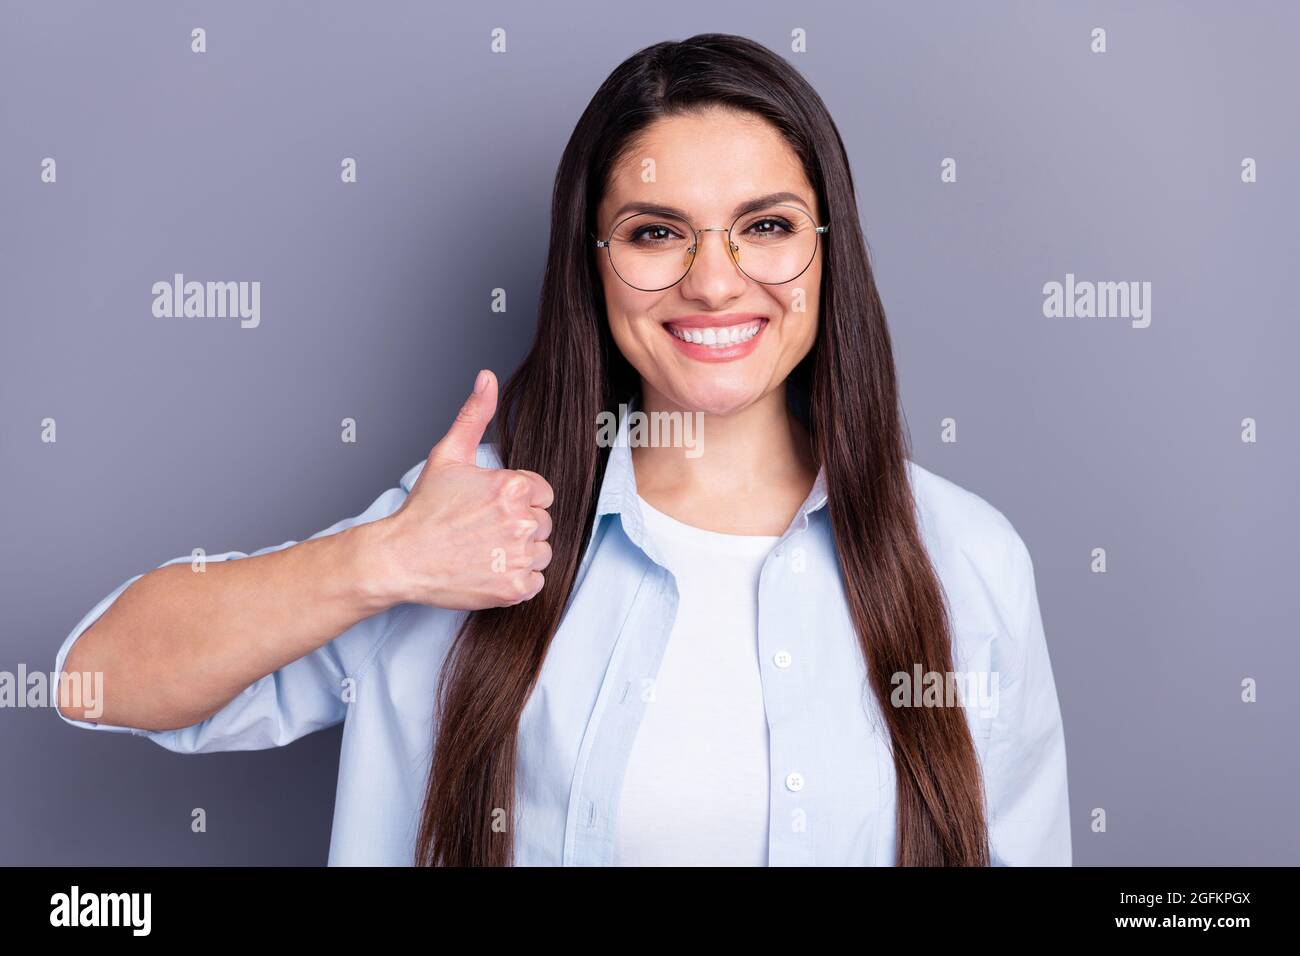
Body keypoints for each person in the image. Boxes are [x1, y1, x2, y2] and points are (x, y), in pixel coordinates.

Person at [55, 33, 1070, 867]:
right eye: (654, 233)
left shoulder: (966, 557)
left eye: (764, 225)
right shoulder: (463, 524)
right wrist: (380, 560)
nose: (715, 283)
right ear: (592, 264)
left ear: (826, 248)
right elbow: (96, 678)